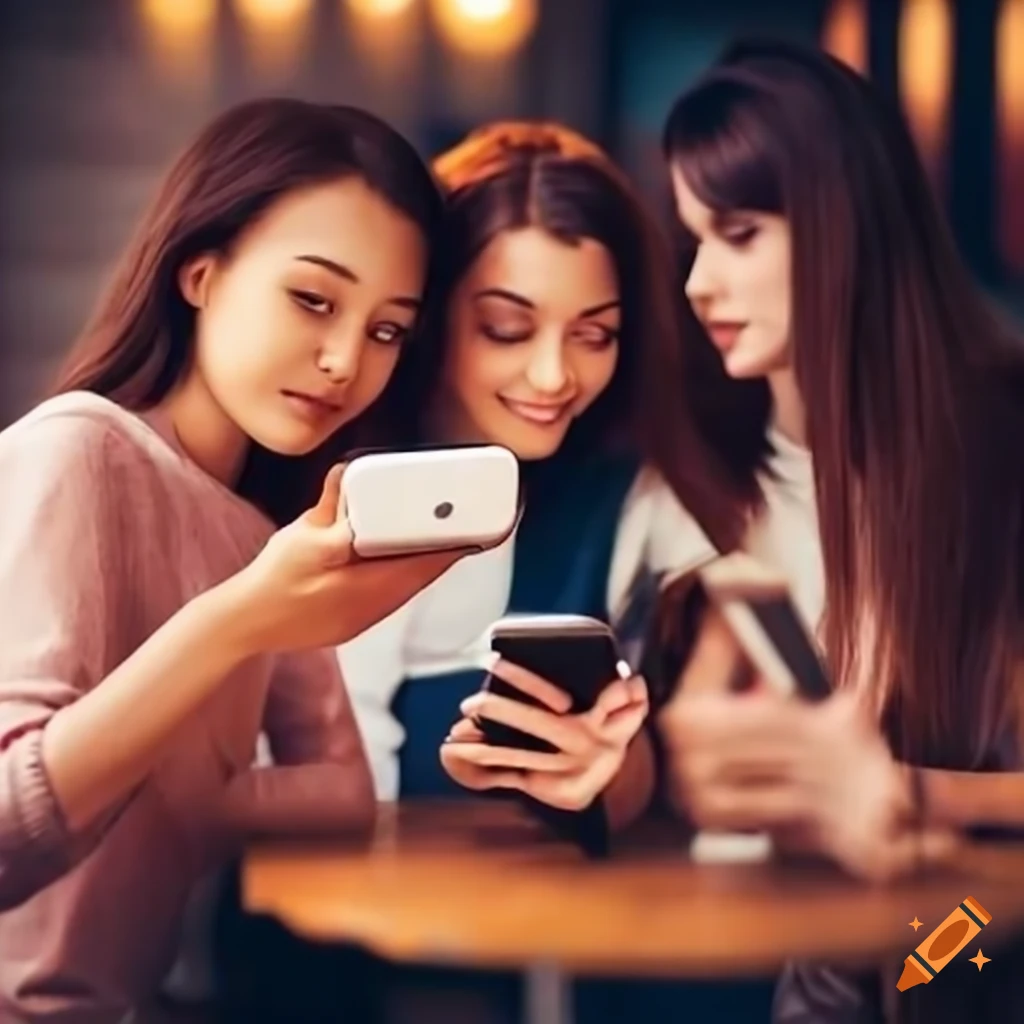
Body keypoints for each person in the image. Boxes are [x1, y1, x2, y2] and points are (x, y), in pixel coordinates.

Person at [0, 97, 471, 1023]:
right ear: (201, 273)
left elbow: (342, 793)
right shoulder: (78, 450)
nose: (344, 360)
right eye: (313, 300)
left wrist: (185, 801)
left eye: (387, 330)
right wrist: (234, 621)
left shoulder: (261, 533)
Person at [336, 121, 770, 1024]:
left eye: (594, 335)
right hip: (347, 954)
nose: (552, 376)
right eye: (506, 328)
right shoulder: (340, 476)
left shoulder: (631, 496)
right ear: (429, 313)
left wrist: (607, 766)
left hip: (553, 963)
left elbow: (659, 760)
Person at [653, 38, 1024, 1023]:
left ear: (839, 225)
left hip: (967, 943)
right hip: (802, 964)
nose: (697, 283)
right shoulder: (701, 473)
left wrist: (909, 797)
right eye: (692, 240)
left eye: (738, 235)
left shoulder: (999, 451)